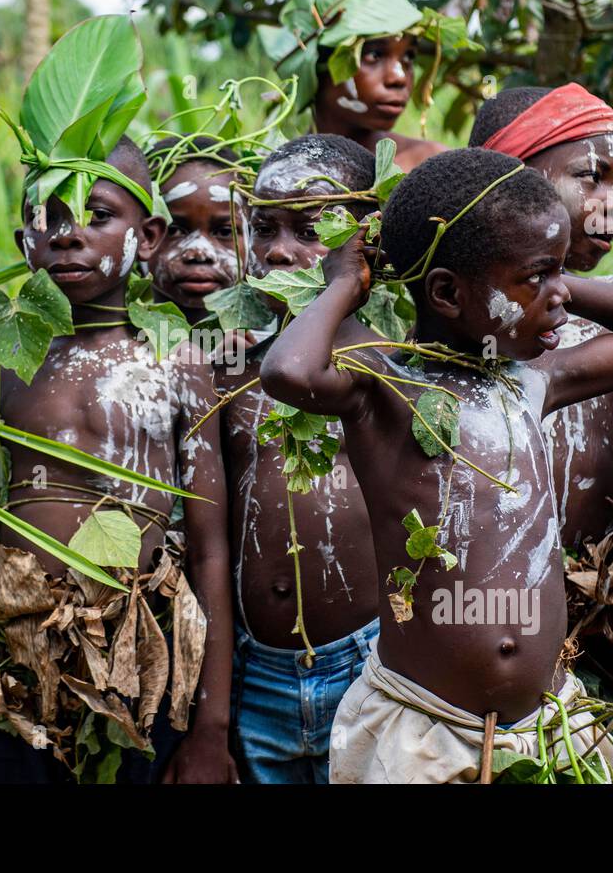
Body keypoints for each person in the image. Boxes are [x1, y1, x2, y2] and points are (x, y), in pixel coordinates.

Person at [259, 147, 613, 782]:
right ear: (446, 292)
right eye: (536, 277)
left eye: (561, 275)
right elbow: (288, 370)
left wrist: (548, 279)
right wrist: (344, 284)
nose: (559, 297)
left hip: (544, 732)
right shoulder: (382, 389)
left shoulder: (534, 382)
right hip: (420, 733)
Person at [0, 136, 237, 784]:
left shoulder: (179, 368)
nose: (67, 236)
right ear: (24, 241)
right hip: (17, 677)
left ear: (149, 235)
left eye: (96, 215)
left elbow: (211, 553)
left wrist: (210, 731)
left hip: (145, 673)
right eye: (48, 218)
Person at [219, 134, 381, 782]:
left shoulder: (394, 366)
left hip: (372, 662)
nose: (281, 250)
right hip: (254, 670)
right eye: (264, 228)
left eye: (311, 229)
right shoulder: (225, 369)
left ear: (366, 237)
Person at [469, 85, 613, 549]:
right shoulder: (454, 313)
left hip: (599, 599)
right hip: (485, 604)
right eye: (591, 177)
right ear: (510, 180)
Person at [259, 0, 446, 174]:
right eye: (375, 55)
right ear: (317, 66)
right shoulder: (274, 175)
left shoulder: (428, 167)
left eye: (408, 57)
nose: (399, 77)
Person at [144, 136, 247, 323]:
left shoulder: (282, 341)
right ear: (142, 234)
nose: (199, 252)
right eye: (174, 230)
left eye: (224, 232)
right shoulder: (108, 341)